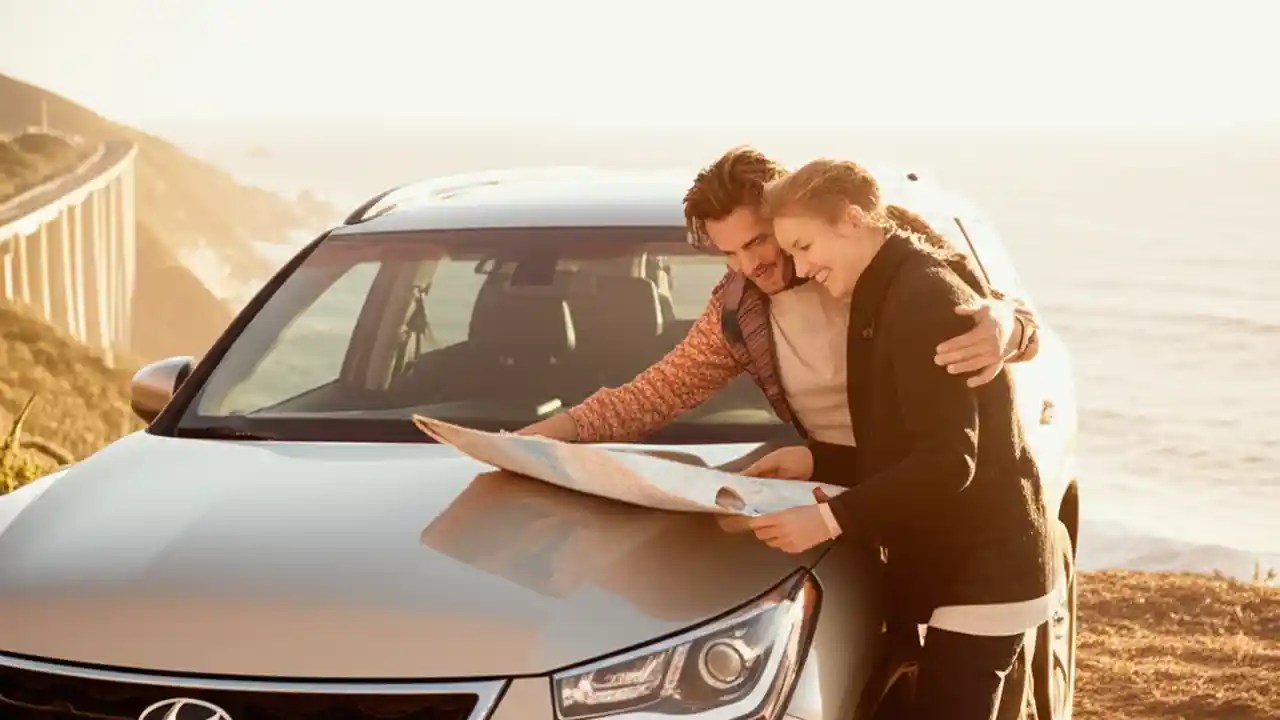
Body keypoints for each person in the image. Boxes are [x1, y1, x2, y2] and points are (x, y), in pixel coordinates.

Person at [743, 158, 1057, 720]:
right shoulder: (886, 287)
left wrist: (828, 518)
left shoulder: (921, 297)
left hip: (986, 567)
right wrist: (811, 457)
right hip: (963, 566)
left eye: (805, 246)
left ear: (853, 218)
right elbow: (906, 447)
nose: (798, 265)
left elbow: (946, 463)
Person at [517, 147, 1039, 446]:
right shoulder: (739, 307)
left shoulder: (882, 244)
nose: (749, 266)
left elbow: (1012, 319)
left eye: (758, 241)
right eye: (729, 255)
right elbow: (651, 396)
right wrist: (520, 445)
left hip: (950, 484)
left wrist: (1007, 326)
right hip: (847, 490)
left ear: (786, 216)